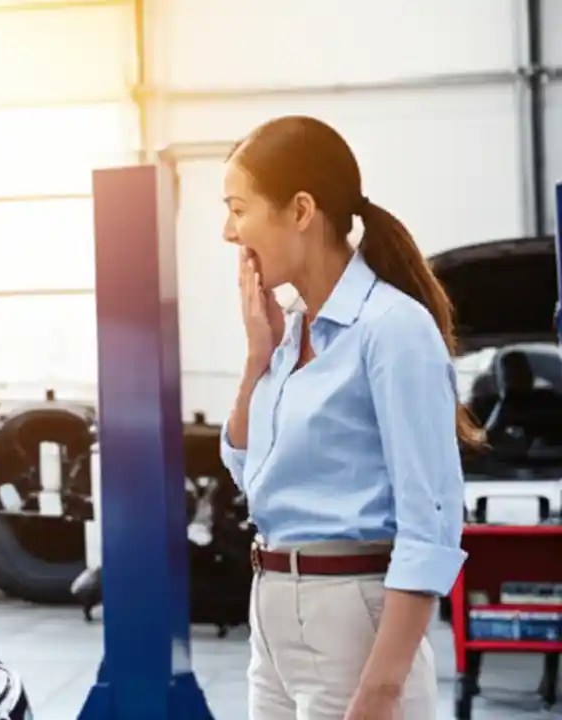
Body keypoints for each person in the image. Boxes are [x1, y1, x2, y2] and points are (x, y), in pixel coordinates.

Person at [218, 115, 483, 719]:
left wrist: (381, 690)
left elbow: (431, 524)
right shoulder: (290, 335)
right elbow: (243, 468)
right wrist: (257, 357)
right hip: (273, 612)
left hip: (353, 620)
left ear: (301, 210)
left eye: (238, 209)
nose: (228, 231)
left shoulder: (391, 330)